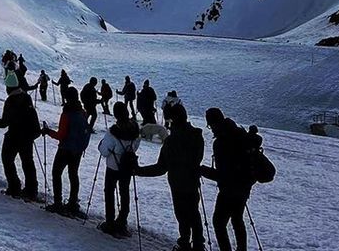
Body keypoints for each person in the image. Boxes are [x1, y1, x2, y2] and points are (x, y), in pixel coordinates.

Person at [130, 103, 205, 251]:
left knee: (182, 215)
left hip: (178, 184)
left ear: (173, 120)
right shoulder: (197, 136)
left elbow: (160, 168)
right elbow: (197, 159)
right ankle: (198, 245)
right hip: (192, 182)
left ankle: (184, 243)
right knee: (194, 213)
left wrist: (138, 171)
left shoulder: (171, 141)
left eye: (169, 120)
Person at [200, 107, 254, 251]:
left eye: (210, 125)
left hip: (229, 189)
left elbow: (223, 174)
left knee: (218, 222)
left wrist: (203, 170)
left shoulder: (221, 142)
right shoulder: (239, 133)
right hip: (244, 186)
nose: (211, 129)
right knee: (237, 219)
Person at [0, 83, 40, 200]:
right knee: (28, 162)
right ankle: (31, 190)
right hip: (27, 136)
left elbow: (4, 122)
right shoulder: (26, 97)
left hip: (14, 136)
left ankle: (14, 187)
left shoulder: (10, 100)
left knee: (7, 159)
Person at [43, 85, 91, 217]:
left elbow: (61, 135)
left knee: (56, 173)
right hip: (78, 150)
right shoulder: (82, 112)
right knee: (73, 175)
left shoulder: (67, 114)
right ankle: (72, 203)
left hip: (65, 149)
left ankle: (58, 203)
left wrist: (48, 131)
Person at [97, 101, 141, 237]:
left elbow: (104, 151)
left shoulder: (113, 132)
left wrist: (101, 145)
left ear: (116, 115)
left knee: (109, 192)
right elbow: (135, 147)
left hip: (113, 167)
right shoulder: (135, 130)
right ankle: (122, 221)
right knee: (125, 193)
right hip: (127, 166)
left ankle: (110, 222)